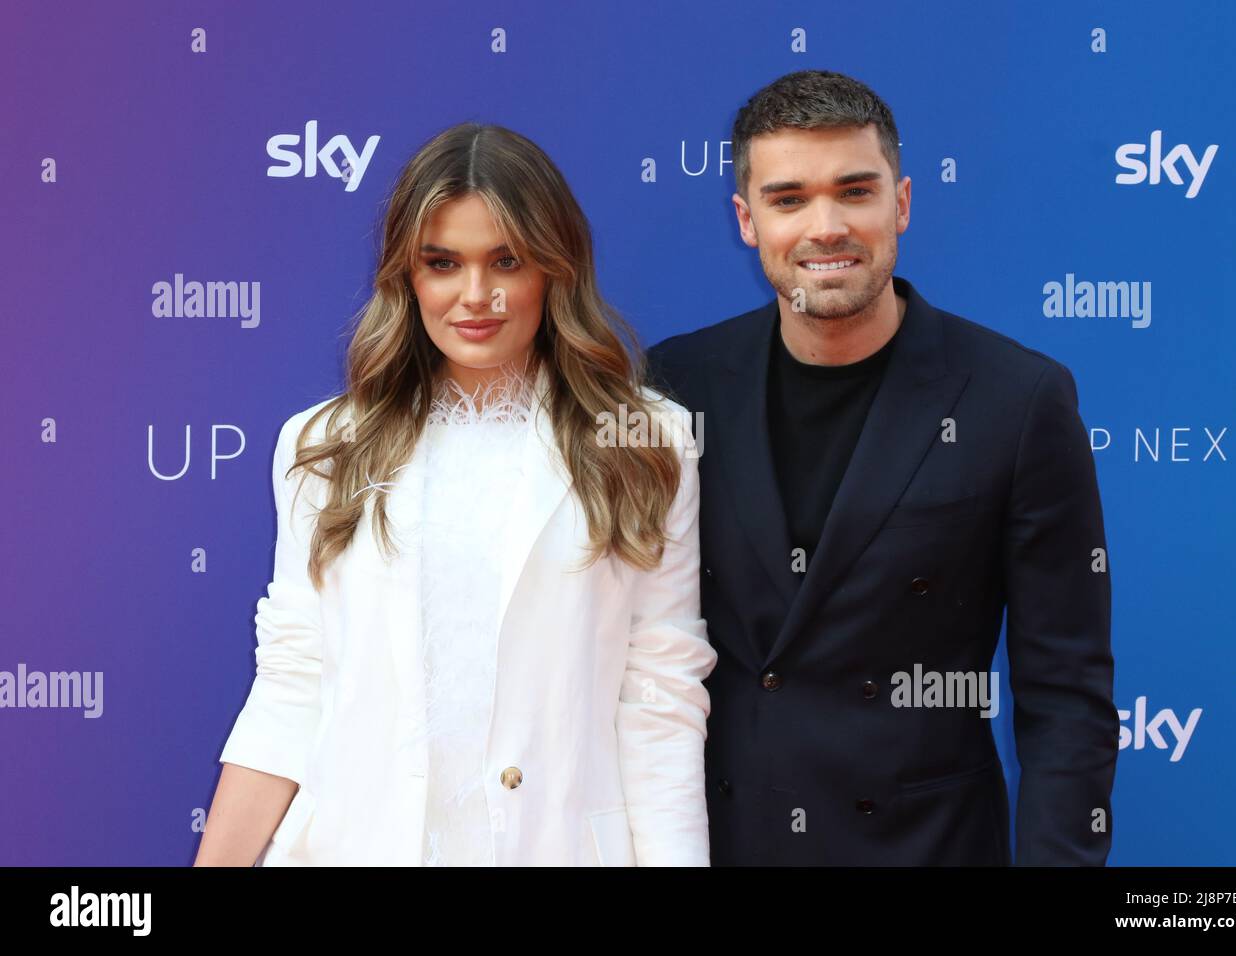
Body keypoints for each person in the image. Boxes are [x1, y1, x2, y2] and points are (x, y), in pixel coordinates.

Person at [196, 122, 716, 866]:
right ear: (407, 277)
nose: (477, 296)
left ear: (555, 269)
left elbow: (661, 698)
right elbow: (293, 681)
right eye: (442, 264)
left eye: (507, 261)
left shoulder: (647, 442)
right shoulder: (322, 446)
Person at [646, 70, 1118, 865]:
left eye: (854, 192)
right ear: (747, 220)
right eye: (788, 199)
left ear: (900, 202)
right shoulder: (675, 386)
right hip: (733, 841)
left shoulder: (1018, 398)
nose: (825, 226)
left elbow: (1067, 696)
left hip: (927, 846)